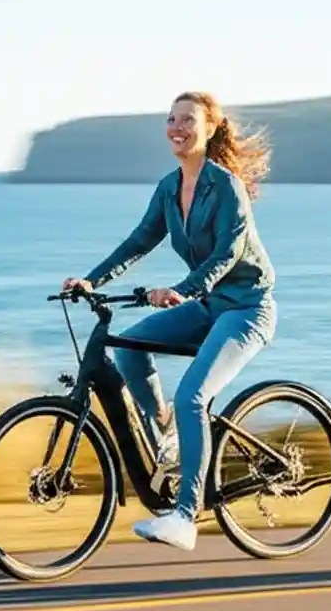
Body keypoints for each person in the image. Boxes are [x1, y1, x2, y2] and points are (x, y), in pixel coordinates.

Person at [61, 91, 277, 550]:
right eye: (171, 119)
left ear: (211, 128)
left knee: (193, 396)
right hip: (209, 304)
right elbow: (139, 240)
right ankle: (167, 439)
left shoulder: (227, 187)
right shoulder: (168, 186)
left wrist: (184, 290)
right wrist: (91, 280)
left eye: (187, 120)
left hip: (246, 308)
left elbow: (227, 254)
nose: (177, 127)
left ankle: (185, 515)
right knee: (128, 346)